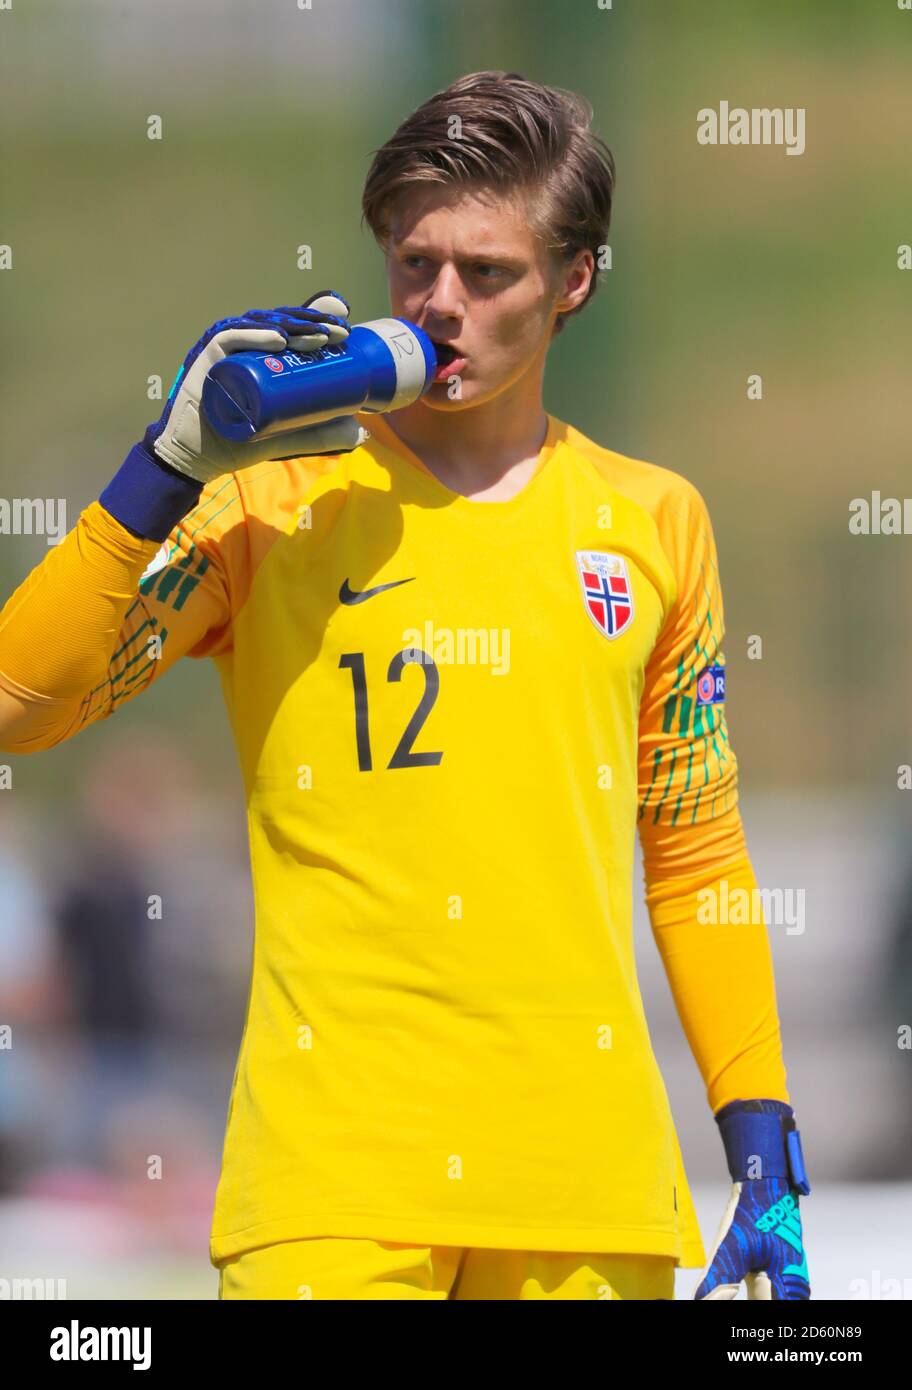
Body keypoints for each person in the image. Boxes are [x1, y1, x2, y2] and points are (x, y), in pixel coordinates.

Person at [0, 70, 809, 1301]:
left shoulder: (654, 523)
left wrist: (761, 1135)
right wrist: (160, 470)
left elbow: (693, 851)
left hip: (586, 1196)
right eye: (414, 263)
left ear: (576, 280)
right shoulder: (268, 495)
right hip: (331, 1196)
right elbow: (21, 703)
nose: (441, 305)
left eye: (488, 273)